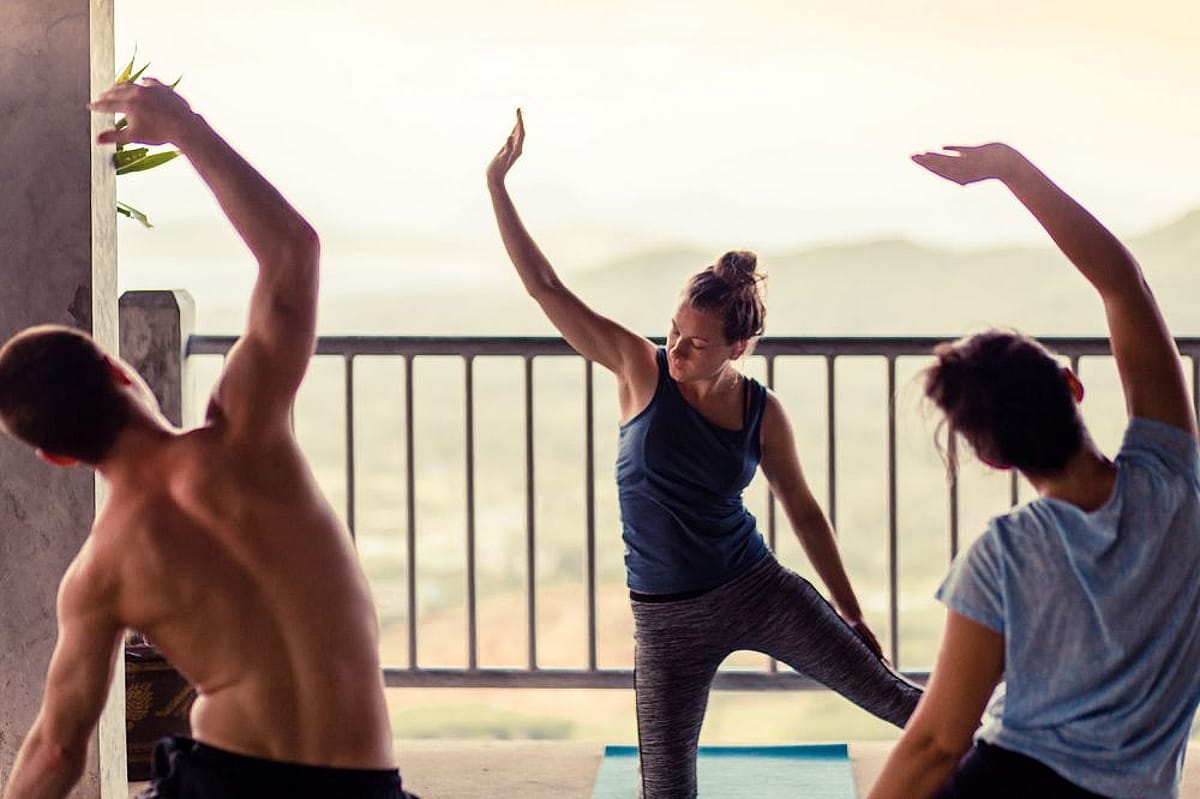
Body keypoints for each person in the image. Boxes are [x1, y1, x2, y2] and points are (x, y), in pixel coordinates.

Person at [487, 110, 921, 799]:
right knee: (666, 791)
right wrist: (497, 184)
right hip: (665, 620)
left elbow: (805, 513)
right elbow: (546, 287)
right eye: (674, 331)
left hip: (757, 589)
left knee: (902, 701)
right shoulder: (638, 367)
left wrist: (852, 612)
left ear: (737, 348)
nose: (677, 349)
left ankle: (1031, 771)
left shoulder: (760, 410)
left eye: (695, 342)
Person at [0, 80, 414, 799]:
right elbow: (293, 251)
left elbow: (58, 748)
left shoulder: (101, 574)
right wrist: (185, 128)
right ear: (118, 370)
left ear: (58, 455)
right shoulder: (248, 430)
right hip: (366, 787)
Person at [868, 144, 1200, 799]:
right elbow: (1122, 282)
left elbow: (937, 743)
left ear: (992, 457)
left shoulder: (1004, 555)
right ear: (1072, 386)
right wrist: (1010, 168)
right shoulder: (1176, 485)